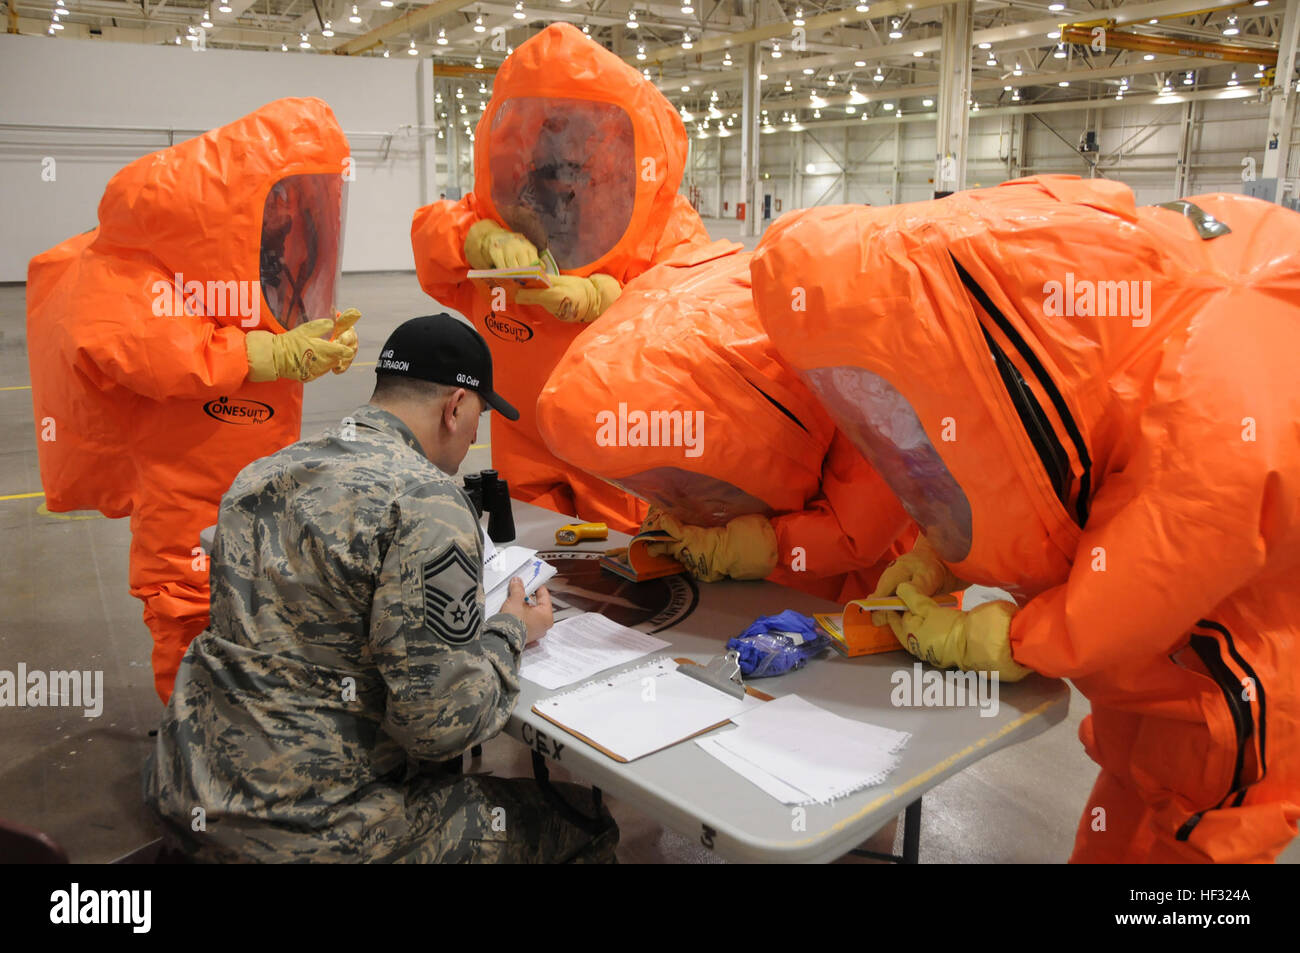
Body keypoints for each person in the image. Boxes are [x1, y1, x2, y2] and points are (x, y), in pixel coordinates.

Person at [749, 175, 1300, 863]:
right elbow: (1002, 445)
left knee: (1200, 846)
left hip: (1237, 686)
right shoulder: (1091, 326)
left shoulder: (1218, 413)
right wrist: (940, 549)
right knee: (1129, 790)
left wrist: (994, 638)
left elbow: (1127, 593)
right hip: (1159, 680)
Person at [145, 314, 618, 863]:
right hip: (309, 834)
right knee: (581, 822)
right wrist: (512, 629)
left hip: (188, 795)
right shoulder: (426, 499)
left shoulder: (262, 474)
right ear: (455, 406)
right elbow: (441, 725)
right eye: (479, 418)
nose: (472, 436)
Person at [26, 97, 361, 703]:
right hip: (182, 473)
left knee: (253, 589)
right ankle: (197, 749)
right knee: (187, 598)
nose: (294, 216)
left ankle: (238, 726)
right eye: (287, 200)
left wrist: (303, 341)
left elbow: (247, 309)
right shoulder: (126, 261)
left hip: (250, 461)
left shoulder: (258, 243)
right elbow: (137, 341)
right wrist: (257, 356)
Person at [410, 22, 711, 534]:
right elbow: (430, 238)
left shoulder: (659, 222)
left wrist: (607, 297)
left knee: (624, 569)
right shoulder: (496, 217)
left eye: (576, 167)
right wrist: (476, 238)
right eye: (551, 167)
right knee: (531, 557)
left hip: (619, 440)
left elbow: (699, 301)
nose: (563, 190)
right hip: (523, 439)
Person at [536, 238, 911, 602]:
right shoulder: (670, 319)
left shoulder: (872, 381)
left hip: (866, 587)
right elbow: (695, 455)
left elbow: (858, 532)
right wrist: (676, 512)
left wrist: (747, 547)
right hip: (761, 567)